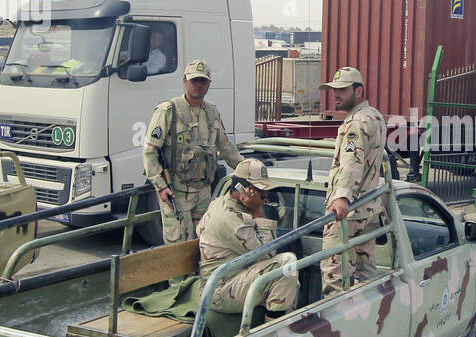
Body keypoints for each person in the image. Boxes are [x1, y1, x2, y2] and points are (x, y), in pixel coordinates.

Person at [142, 59, 243, 243]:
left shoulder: (212, 113)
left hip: (203, 192)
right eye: (194, 80)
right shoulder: (169, 111)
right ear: (185, 81)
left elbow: (226, 148)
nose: (198, 85)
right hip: (176, 192)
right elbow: (150, 151)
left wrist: (246, 168)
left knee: (205, 242)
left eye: (202, 81)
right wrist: (161, 186)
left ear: (208, 84)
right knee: (178, 246)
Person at [196, 159, 299, 319]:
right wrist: (258, 210)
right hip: (220, 291)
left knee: (289, 277)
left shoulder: (226, 203)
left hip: (232, 278)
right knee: (287, 264)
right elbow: (267, 252)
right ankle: (274, 328)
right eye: (260, 189)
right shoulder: (229, 217)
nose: (265, 194)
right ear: (242, 188)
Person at [320, 66, 387, 296]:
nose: (336, 95)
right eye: (333, 90)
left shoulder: (356, 124)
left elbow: (351, 161)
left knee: (334, 273)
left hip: (349, 214)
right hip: (367, 208)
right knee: (366, 272)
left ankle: (337, 326)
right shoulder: (374, 115)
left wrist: (341, 198)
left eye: (342, 90)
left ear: (358, 91)